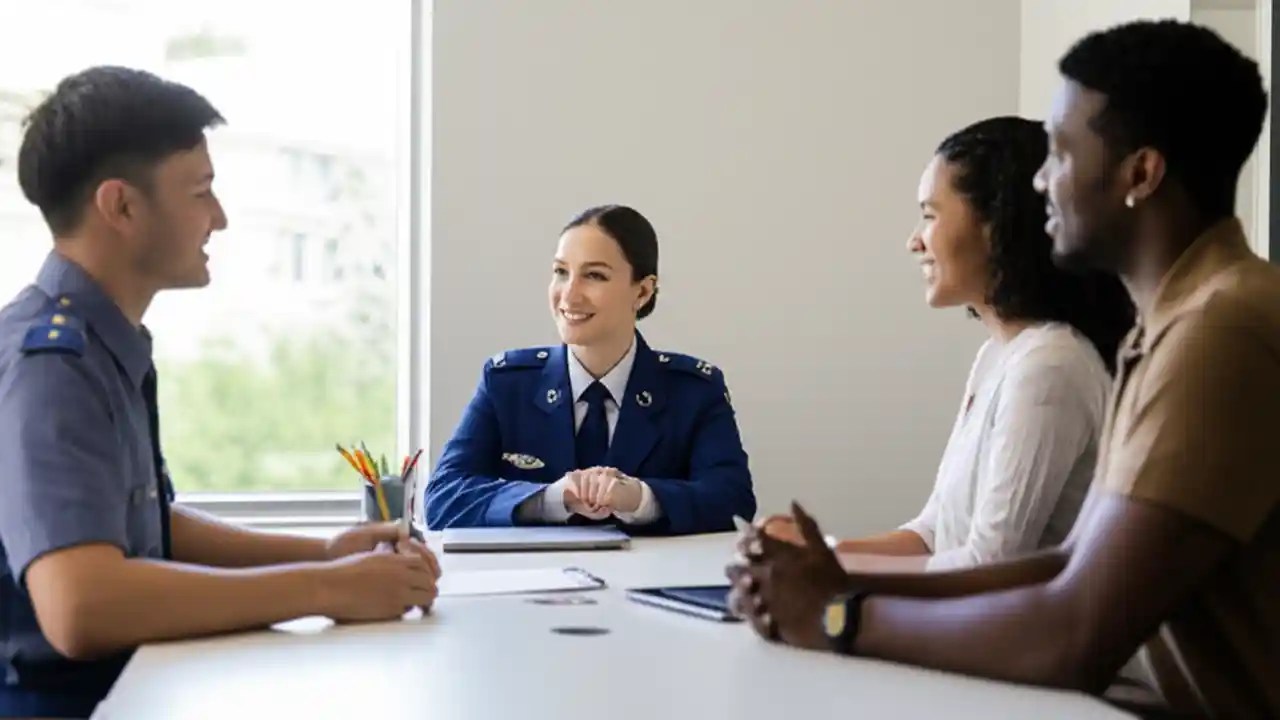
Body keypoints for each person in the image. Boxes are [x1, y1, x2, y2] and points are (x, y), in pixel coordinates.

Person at [728, 19, 1279, 719]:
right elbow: (1068, 565)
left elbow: (1077, 629)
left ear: (1141, 173)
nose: (1041, 183)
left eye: (1058, 155)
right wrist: (834, 583)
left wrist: (840, 618)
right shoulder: (1176, 325)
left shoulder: (1219, 331)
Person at [0, 66, 441, 719]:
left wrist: (326, 552)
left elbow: (144, 527)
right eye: (201, 192)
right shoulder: (50, 365)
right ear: (121, 206)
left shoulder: (101, 342)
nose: (221, 218)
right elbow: (80, 605)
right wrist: (326, 587)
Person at [766, 116, 1133, 573]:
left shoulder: (1050, 365)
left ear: (995, 226)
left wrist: (828, 573)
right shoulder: (999, 355)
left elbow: (989, 565)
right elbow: (933, 533)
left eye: (929, 214)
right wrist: (817, 553)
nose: (914, 240)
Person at [426, 204, 755, 534]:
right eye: (561, 272)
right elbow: (442, 499)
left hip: (648, 581)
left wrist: (641, 498)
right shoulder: (507, 384)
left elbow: (733, 501)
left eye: (594, 275)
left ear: (642, 291)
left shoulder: (693, 390)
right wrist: (552, 498)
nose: (569, 295)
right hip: (534, 581)